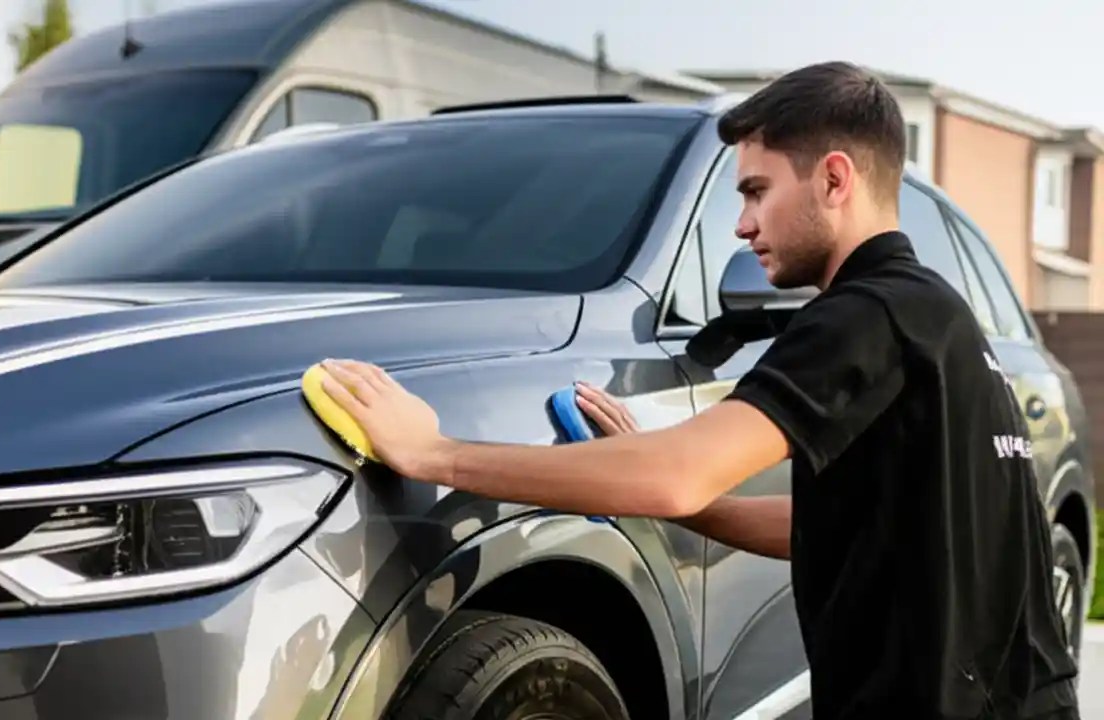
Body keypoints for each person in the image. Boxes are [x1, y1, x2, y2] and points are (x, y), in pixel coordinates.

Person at [317, 61, 1080, 719]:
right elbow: (838, 522)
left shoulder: (862, 315)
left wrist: (436, 451)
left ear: (835, 177)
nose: (743, 225)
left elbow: (674, 478)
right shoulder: (937, 315)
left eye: (755, 191)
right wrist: (688, 495)